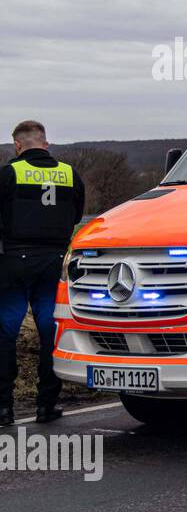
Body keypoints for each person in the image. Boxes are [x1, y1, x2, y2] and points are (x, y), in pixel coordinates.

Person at [0, 121, 85, 427]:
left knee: (6, 331)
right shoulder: (69, 174)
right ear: (46, 144)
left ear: (18, 147)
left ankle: (4, 408)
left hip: (13, 260)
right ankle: (46, 405)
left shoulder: (8, 173)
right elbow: (76, 215)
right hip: (55, 261)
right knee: (51, 331)